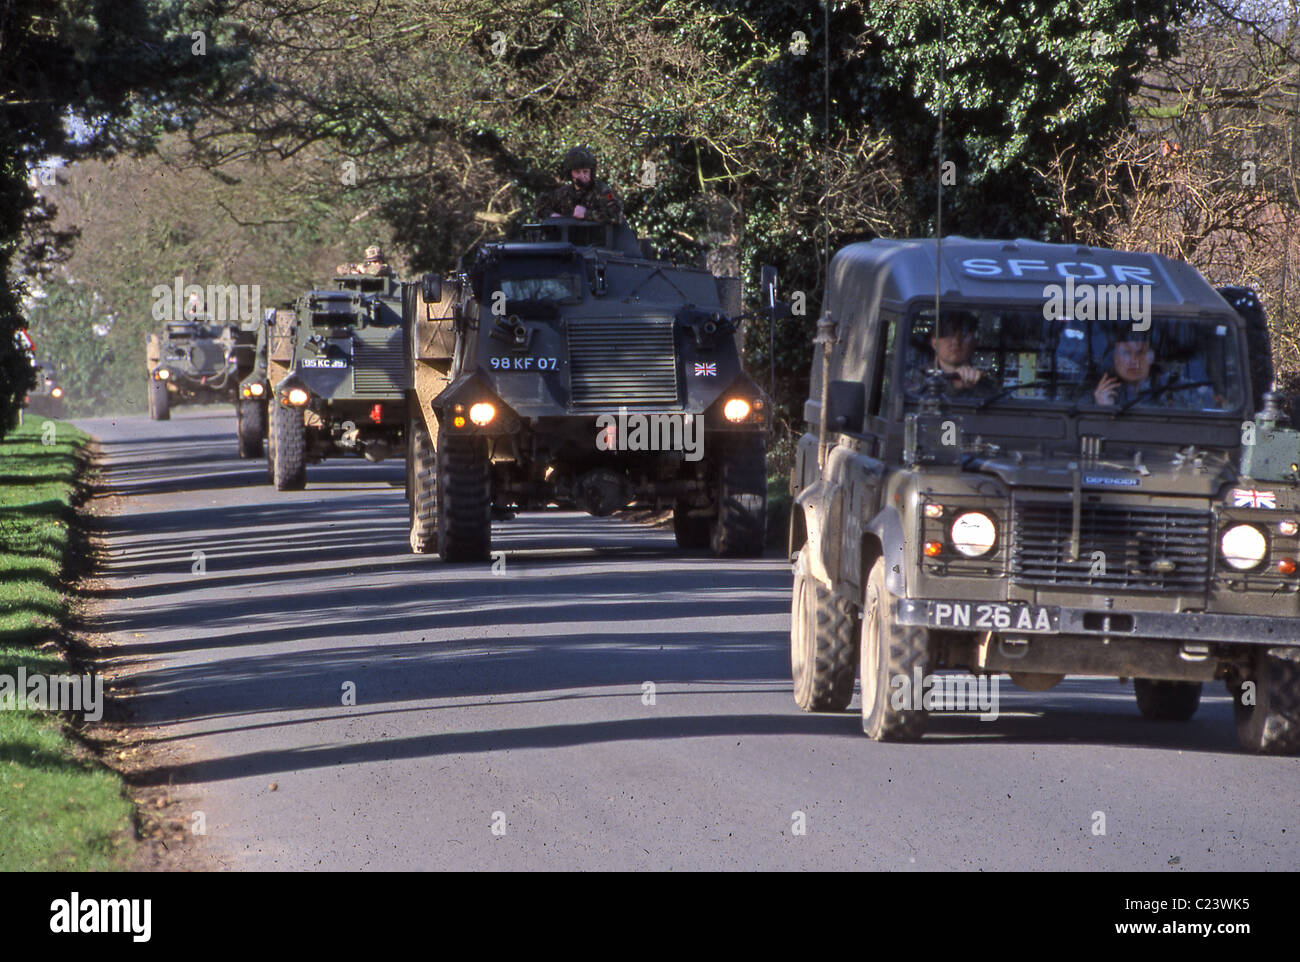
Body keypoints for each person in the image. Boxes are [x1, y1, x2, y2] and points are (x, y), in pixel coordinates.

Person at [906, 310, 994, 396]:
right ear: (934, 342)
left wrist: (973, 386)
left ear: (974, 343)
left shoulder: (984, 381)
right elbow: (911, 398)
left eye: (964, 334)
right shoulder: (918, 375)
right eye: (947, 333)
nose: (956, 341)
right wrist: (953, 387)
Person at [534, 146, 623, 225]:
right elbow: (540, 206)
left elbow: (616, 215)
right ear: (570, 174)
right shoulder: (563, 194)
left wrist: (586, 214)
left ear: (591, 172)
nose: (582, 176)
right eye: (577, 172)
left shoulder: (603, 191)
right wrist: (553, 216)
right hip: (570, 241)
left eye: (585, 171)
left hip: (598, 241)